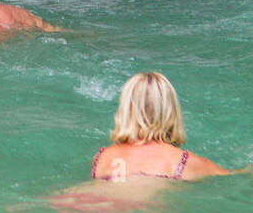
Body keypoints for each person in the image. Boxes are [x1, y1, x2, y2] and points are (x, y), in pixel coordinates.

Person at [90, 71, 233, 182]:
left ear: (125, 110)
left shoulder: (102, 157)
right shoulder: (184, 163)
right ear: (171, 110)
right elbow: (235, 177)